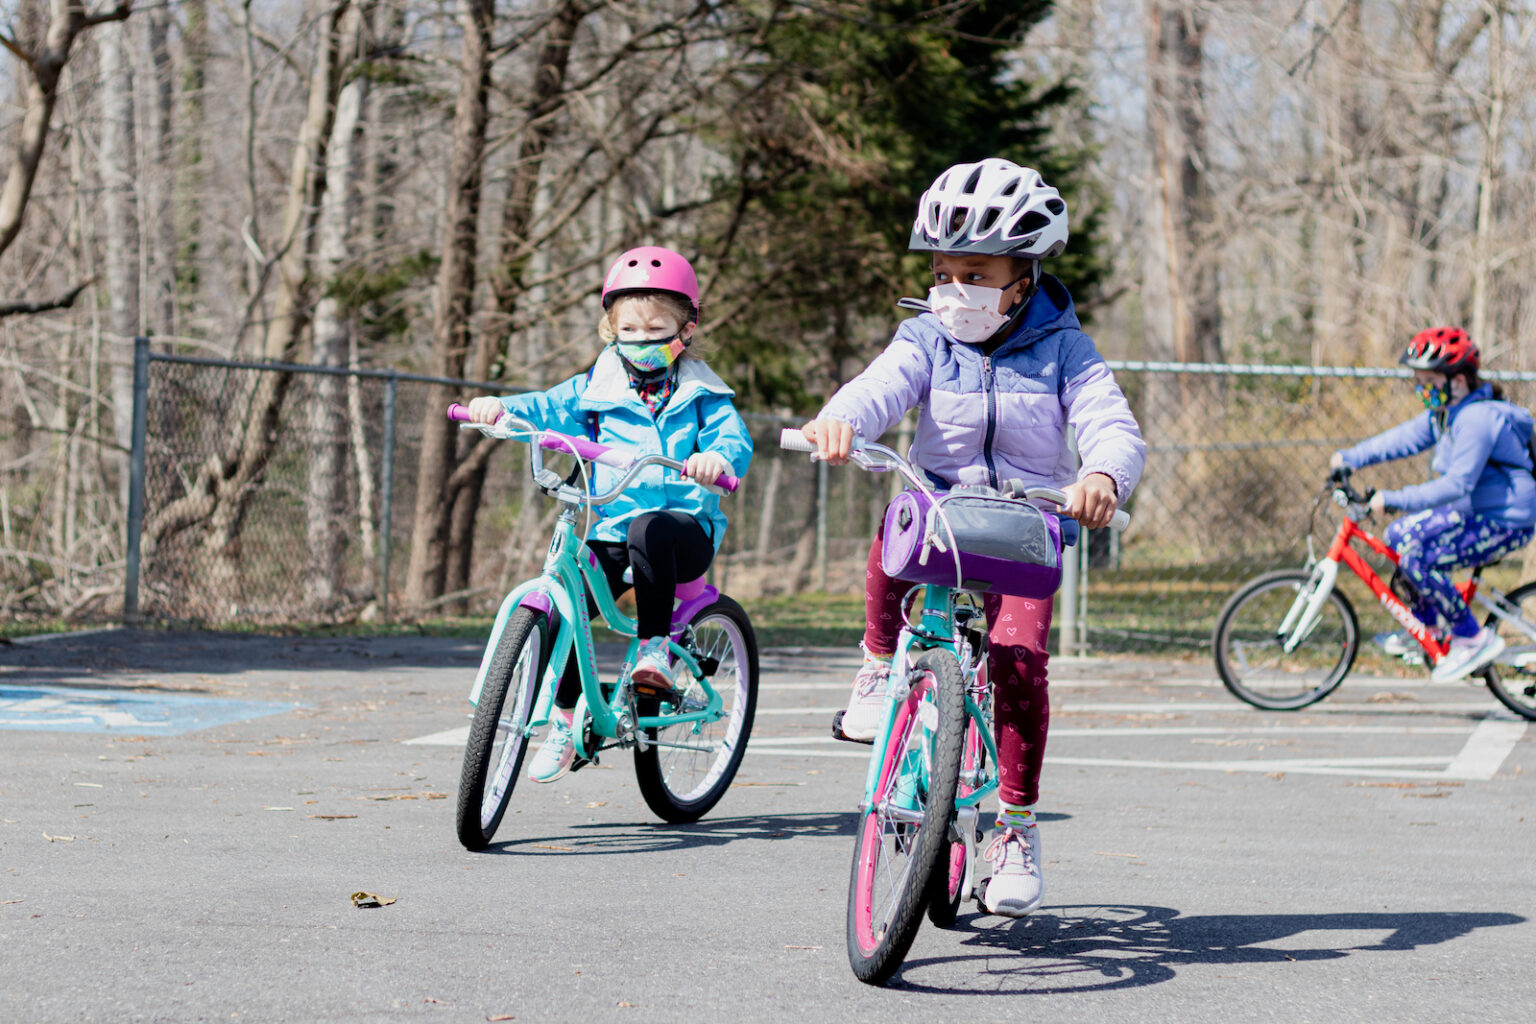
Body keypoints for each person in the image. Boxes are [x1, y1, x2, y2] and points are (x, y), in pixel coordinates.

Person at [801, 158, 1146, 918]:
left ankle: (1015, 829)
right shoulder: (926, 338)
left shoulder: (1066, 351)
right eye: (944, 271)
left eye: (977, 272)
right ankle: (876, 665)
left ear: (1023, 274)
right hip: (943, 511)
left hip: (1026, 526)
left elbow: (1111, 425)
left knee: (1019, 661)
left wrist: (1103, 478)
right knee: (897, 528)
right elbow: (879, 385)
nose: (956, 290)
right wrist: (842, 419)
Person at [466, 245, 753, 782]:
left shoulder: (703, 394)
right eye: (630, 331)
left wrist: (717, 458)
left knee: (652, 527)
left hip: (685, 531)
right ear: (610, 329)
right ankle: (567, 718)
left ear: (686, 330)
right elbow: (546, 406)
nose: (642, 344)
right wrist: (500, 409)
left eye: (656, 331)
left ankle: (656, 650)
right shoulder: (596, 388)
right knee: (570, 594)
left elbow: (732, 438)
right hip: (617, 530)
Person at [1330, 326, 1535, 682]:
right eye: (1417, 379)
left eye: (1427, 380)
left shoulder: (1476, 419)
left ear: (1457, 381)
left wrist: (1393, 499)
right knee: (1397, 534)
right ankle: (1432, 628)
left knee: (1420, 558)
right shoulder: (1445, 414)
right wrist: (1349, 458)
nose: (1420, 388)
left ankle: (1472, 639)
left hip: (1506, 520)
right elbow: (1401, 440)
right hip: (1475, 511)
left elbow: (1457, 485)